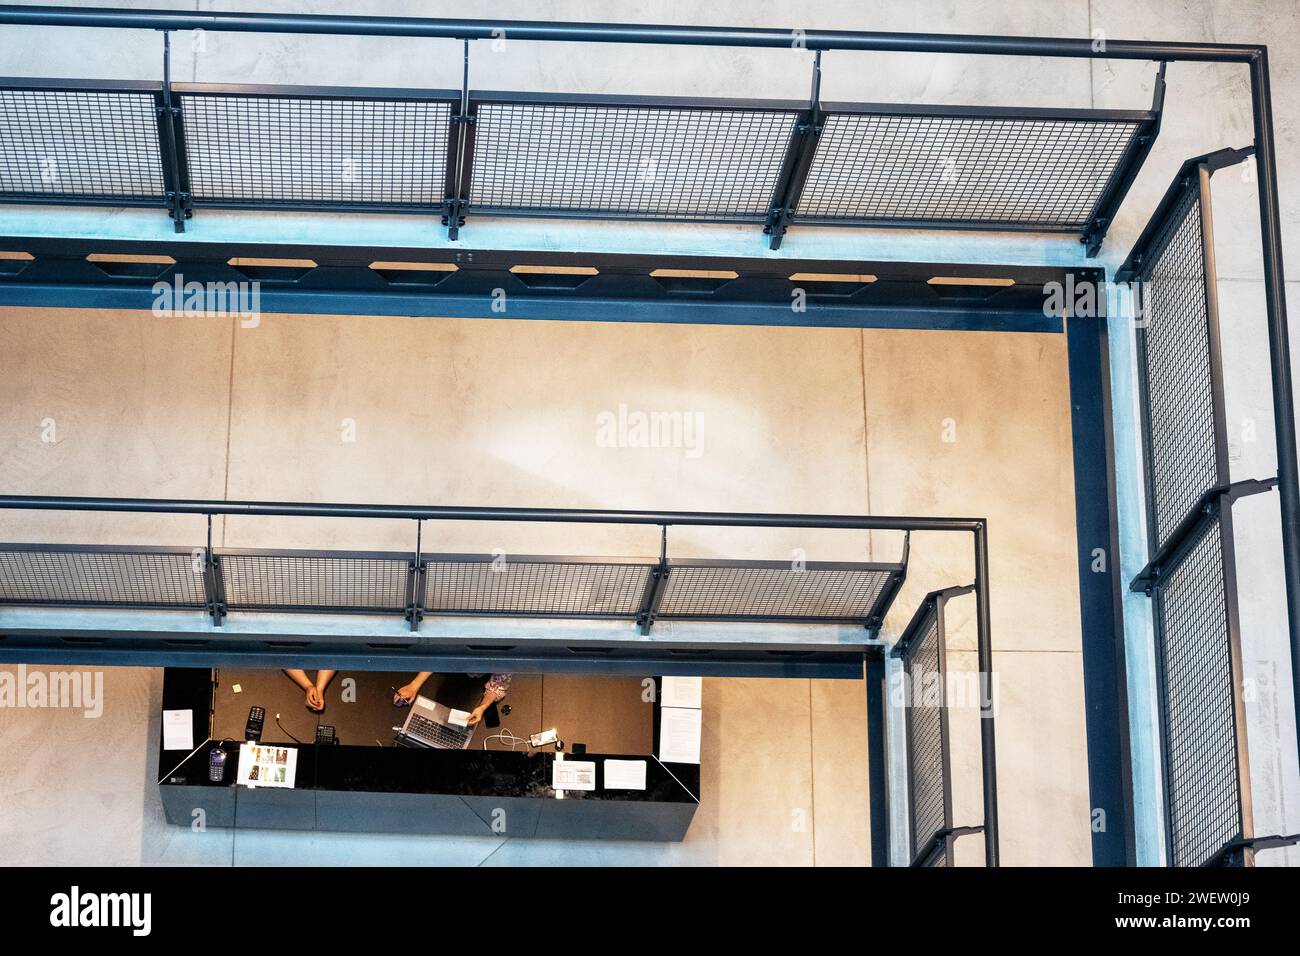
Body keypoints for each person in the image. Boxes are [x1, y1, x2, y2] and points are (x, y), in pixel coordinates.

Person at [393, 672, 511, 726]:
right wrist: (414, 685)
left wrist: (482, 707)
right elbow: (437, 657)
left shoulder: (504, 644)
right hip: (451, 675)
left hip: (473, 686)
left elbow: (498, 683)